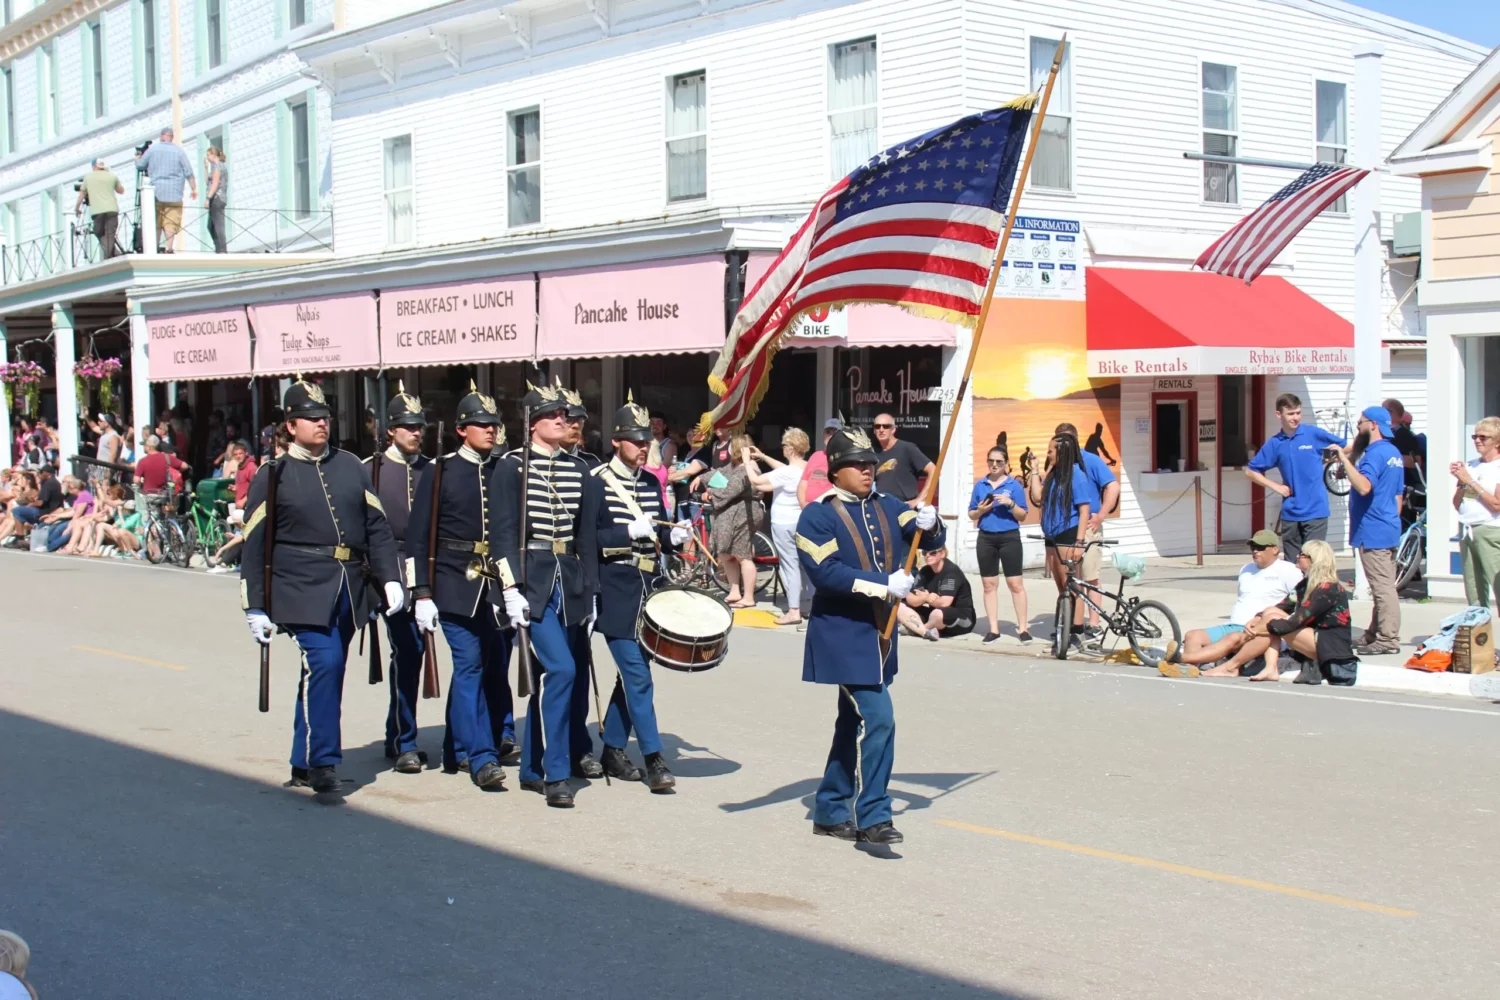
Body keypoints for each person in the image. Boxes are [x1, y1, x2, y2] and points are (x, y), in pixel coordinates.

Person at [239, 377, 404, 796]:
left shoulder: (350, 465)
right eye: (309, 418)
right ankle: (324, 762)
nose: (320, 424)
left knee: (321, 672)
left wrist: (391, 579)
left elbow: (377, 528)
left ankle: (301, 759)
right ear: (290, 426)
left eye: (324, 417)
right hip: (298, 586)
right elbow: (255, 544)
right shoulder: (272, 474)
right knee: (326, 663)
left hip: (348, 586)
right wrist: (254, 604)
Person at [795, 424, 940, 845]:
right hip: (843, 634)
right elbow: (826, 573)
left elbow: (922, 533)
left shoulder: (889, 504)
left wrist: (930, 525)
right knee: (879, 718)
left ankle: (829, 808)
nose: (866, 470)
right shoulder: (817, 515)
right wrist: (882, 583)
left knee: (851, 723)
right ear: (836, 470)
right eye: (856, 464)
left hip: (881, 633)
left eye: (869, 464)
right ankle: (875, 814)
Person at [492, 379, 601, 808]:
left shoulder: (578, 470)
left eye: (564, 415)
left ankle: (531, 767)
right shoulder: (512, 467)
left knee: (552, 677)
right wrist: (510, 587)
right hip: (531, 581)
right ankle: (556, 773)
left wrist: (590, 592)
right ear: (532, 423)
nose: (562, 420)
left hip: (569, 580)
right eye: (552, 415)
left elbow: (585, 537)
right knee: (562, 671)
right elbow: (502, 533)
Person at [407, 383, 512, 791]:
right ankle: (481, 757)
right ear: (461, 429)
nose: (491, 430)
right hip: (451, 581)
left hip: (491, 584)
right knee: (468, 665)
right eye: (482, 424)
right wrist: (421, 593)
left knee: (485, 665)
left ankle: (456, 747)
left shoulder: (502, 469)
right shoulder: (440, 470)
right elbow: (418, 538)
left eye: (494, 424)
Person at [590, 393, 690, 790]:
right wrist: (625, 533)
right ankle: (654, 759)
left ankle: (613, 747)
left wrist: (676, 537)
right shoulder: (597, 482)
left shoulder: (650, 481)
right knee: (637, 675)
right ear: (616, 441)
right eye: (635, 441)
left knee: (635, 675)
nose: (642, 447)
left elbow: (660, 533)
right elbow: (589, 539)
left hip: (651, 588)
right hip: (614, 588)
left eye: (646, 440)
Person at [364, 384, 437, 773]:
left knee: (422, 654)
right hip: (388, 569)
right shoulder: (370, 470)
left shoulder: (432, 469)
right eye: (407, 426)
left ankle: (402, 731)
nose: (415, 432)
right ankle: (404, 738)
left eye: (419, 426)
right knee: (408, 651)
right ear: (390, 430)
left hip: (427, 567)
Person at [1158, 529, 1303, 680]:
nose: (1255, 551)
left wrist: (1266, 621)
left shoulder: (1288, 571)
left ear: (1274, 549)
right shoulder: (1246, 569)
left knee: (1233, 638)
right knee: (1193, 636)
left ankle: (1181, 658)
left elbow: (1295, 604)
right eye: (1252, 548)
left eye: (1260, 548)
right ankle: (1189, 669)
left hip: (1258, 628)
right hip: (1234, 624)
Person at [1328, 405, 1405, 656]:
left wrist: (1343, 458)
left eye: (1360, 422)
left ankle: (1388, 639)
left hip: (1373, 528)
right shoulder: (1392, 452)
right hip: (1388, 525)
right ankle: (1374, 633)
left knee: (1383, 588)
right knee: (1381, 583)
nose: (1358, 427)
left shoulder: (1373, 454)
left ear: (1373, 425)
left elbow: (1363, 487)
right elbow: (1397, 495)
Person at [1245, 393, 1346, 565]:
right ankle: (1296, 592)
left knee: (1314, 562)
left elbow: (1344, 446)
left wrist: (1334, 457)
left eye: (1298, 413)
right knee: (1293, 564)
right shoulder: (1275, 443)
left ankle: (1315, 592)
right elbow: (1251, 471)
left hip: (1316, 510)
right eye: (1291, 414)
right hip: (1291, 512)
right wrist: (1275, 486)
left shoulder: (1312, 434)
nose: (1296, 417)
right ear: (1279, 415)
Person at [1242, 540, 1355, 686]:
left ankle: (1234, 662)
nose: (1297, 556)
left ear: (1313, 560)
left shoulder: (1327, 588)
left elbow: (1295, 621)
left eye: (1302, 554)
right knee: (1271, 613)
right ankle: (1271, 668)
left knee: (1275, 622)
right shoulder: (1305, 584)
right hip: (1313, 638)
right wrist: (1257, 618)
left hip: (1332, 646)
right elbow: (1284, 605)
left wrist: (1253, 632)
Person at [1028, 434, 1099, 639]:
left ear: (1062, 452)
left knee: (1070, 584)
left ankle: (1074, 628)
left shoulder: (1076, 474)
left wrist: (1079, 542)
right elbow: (1038, 497)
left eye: (1050, 450)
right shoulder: (1054, 472)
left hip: (1067, 533)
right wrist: (1034, 470)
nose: (1047, 453)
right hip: (1051, 534)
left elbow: (1084, 509)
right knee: (1061, 584)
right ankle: (1067, 624)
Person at [1056, 422, 1119, 638]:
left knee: (1090, 576)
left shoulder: (1090, 459)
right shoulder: (1056, 463)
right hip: (1065, 527)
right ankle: (1072, 623)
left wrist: (1101, 514)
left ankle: (1093, 623)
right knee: (1069, 578)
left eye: (1066, 440)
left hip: (1089, 525)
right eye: (1059, 440)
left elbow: (1112, 485)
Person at [748, 427, 810, 625]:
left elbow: (757, 482)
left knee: (789, 565)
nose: (782, 449)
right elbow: (782, 470)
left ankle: (793, 610)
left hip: (784, 523)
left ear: (790, 448)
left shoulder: (787, 472)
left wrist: (747, 461)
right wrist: (763, 456)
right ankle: (808, 604)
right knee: (805, 565)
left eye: (784, 445)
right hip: (802, 520)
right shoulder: (806, 468)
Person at [970, 447, 1030, 643]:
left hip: (1009, 537)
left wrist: (1010, 504)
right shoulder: (981, 485)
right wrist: (979, 510)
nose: (994, 465)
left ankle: (1022, 629)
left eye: (999, 462)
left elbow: (1022, 515)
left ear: (1006, 464)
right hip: (986, 537)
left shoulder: (1014, 486)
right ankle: (993, 629)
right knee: (989, 585)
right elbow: (971, 514)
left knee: (1015, 584)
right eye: (991, 461)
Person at [1453, 416, 1500, 610]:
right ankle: (1479, 634)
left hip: (1489, 530)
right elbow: (1457, 503)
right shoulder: (1471, 465)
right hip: (1467, 529)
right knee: (1474, 592)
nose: (1477, 441)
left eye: (1484, 437)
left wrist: (1471, 482)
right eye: (1475, 436)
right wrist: (1462, 481)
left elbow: (1497, 505)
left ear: (1497, 441)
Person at [710, 434, 761, 608]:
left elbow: (731, 490)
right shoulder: (735, 466)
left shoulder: (749, 467)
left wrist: (711, 492)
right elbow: (717, 474)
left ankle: (748, 597)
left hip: (744, 513)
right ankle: (734, 591)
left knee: (742, 555)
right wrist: (700, 479)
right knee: (725, 553)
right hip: (734, 513)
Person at [135, 127, 197, 252]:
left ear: (161, 136)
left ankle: (155, 246)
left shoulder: (153, 150)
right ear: (171, 137)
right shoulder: (179, 151)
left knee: (157, 220)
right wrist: (193, 188)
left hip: (156, 192)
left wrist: (137, 158)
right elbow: (188, 171)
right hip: (174, 193)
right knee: (171, 220)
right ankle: (169, 247)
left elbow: (140, 165)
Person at [897, 545, 975, 640]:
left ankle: (917, 629)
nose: (927, 556)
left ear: (942, 554)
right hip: (935, 616)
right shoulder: (925, 571)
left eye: (932, 553)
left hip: (962, 618)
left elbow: (944, 603)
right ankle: (925, 632)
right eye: (924, 553)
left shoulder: (951, 572)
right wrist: (925, 598)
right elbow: (910, 599)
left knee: (937, 614)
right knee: (900, 606)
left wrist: (926, 599)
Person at [872, 412, 935, 506]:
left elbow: (934, 470)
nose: (881, 430)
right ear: (874, 430)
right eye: (878, 426)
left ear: (893, 429)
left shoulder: (907, 448)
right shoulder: (873, 452)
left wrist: (919, 500)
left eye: (886, 426)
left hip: (905, 507)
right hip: (882, 508)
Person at [75, 157, 125, 259]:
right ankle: (114, 253)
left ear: (94, 167)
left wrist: (77, 208)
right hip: (112, 209)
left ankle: (109, 256)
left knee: (98, 232)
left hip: (98, 211)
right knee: (110, 234)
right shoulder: (111, 176)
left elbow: (81, 194)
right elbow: (121, 190)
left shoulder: (88, 177)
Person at [798, 418, 841, 508]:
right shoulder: (815, 456)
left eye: (835, 433)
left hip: (830, 510)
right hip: (809, 509)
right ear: (823, 435)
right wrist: (803, 504)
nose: (830, 435)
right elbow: (803, 483)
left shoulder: (843, 458)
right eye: (828, 432)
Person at [204, 145, 229, 253]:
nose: (207, 157)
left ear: (213, 155)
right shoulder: (216, 166)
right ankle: (218, 248)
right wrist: (205, 168)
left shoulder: (218, 166)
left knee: (218, 224)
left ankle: (222, 249)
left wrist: (208, 198)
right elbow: (208, 182)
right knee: (211, 225)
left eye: (208, 155)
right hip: (218, 198)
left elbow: (215, 183)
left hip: (217, 198)